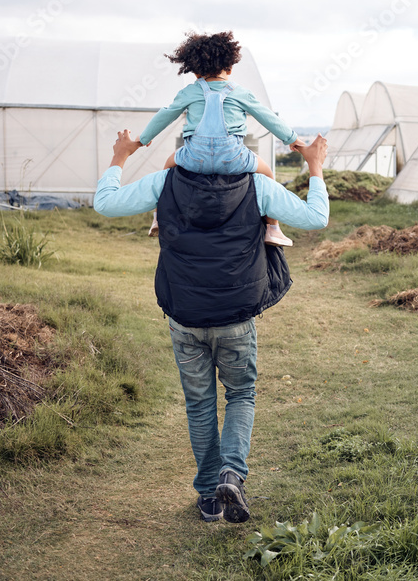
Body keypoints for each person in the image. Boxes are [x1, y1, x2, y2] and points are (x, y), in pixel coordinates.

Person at [94, 128, 329, 524]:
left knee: (200, 404)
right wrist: (315, 165)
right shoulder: (258, 185)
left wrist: (120, 156)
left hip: (184, 315)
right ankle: (231, 475)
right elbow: (316, 218)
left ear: (186, 146)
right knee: (241, 394)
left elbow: (105, 203)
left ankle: (208, 498)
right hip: (236, 315)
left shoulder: (165, 181)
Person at [137, 30, 305, 246]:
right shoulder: (240, 92)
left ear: (195, 72)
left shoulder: (189, 92)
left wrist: (144, 138)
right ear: (230, 67)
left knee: (167, 168)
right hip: (233, 159)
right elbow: (268, 117)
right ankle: (273, 227)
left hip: (194, 158)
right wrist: (292, 139)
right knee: (267, 174)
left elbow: (166, 114)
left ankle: (159, 217)